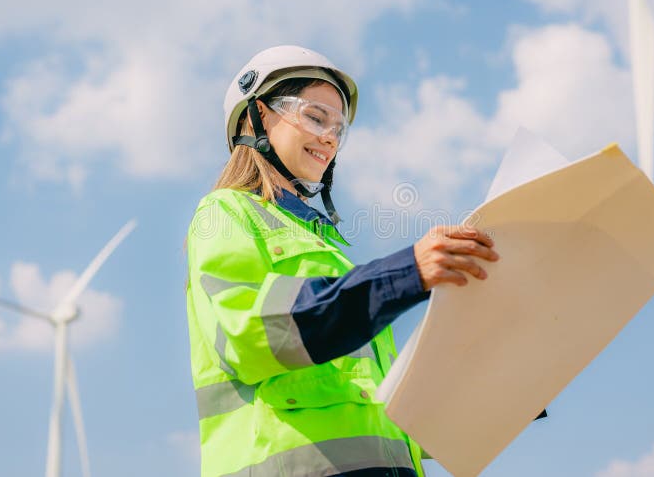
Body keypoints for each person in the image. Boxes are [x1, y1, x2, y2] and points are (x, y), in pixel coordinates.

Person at [185, 45, 499, 477]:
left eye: (339, 127)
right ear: (258, 115)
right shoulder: (225, 213)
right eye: (315, 117)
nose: (331, 137)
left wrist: (512, 382)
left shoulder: (331, 254)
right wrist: (404, 275)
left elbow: (394, 416)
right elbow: (252, 334)